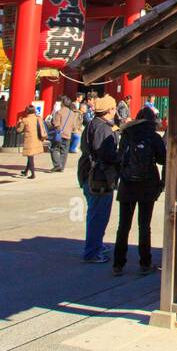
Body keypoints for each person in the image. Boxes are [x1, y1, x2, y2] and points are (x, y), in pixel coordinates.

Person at [113, 106, 166, 275]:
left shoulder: (127, 135)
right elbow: (163, 159)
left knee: (123, 226)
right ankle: (145, 263)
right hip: (147, 185)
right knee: (144, 226)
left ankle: (118, 264)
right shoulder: (153, 137)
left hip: (127, 184)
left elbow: (120, 158)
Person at [77, 95, 119, 264]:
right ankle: (92, 251)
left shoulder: (93, 124)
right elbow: (106, 153)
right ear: (110, 110)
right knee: (98, 215)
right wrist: (120, 158)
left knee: (95, 213)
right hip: (99, 177)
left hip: (89, 173)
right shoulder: (103, 128)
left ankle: (95, 245)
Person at [48, 95, 77, 173]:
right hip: (68, 135)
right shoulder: (72, 113)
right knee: (64, 151)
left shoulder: (59, 112)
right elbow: (74, 125)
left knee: (54, 149)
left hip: (59, 134)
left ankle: (57, 165)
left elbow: (56, 123)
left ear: (62, 103)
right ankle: (62, 167)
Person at [18, 104, 44, 178]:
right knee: (31, 156)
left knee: (30, 157)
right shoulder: (38, 118)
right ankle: (26, 171)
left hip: (29, 140)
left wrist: (19, 122)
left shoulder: (25, 120)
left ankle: (33, 174)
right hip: (37, 139)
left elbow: (19, 130)